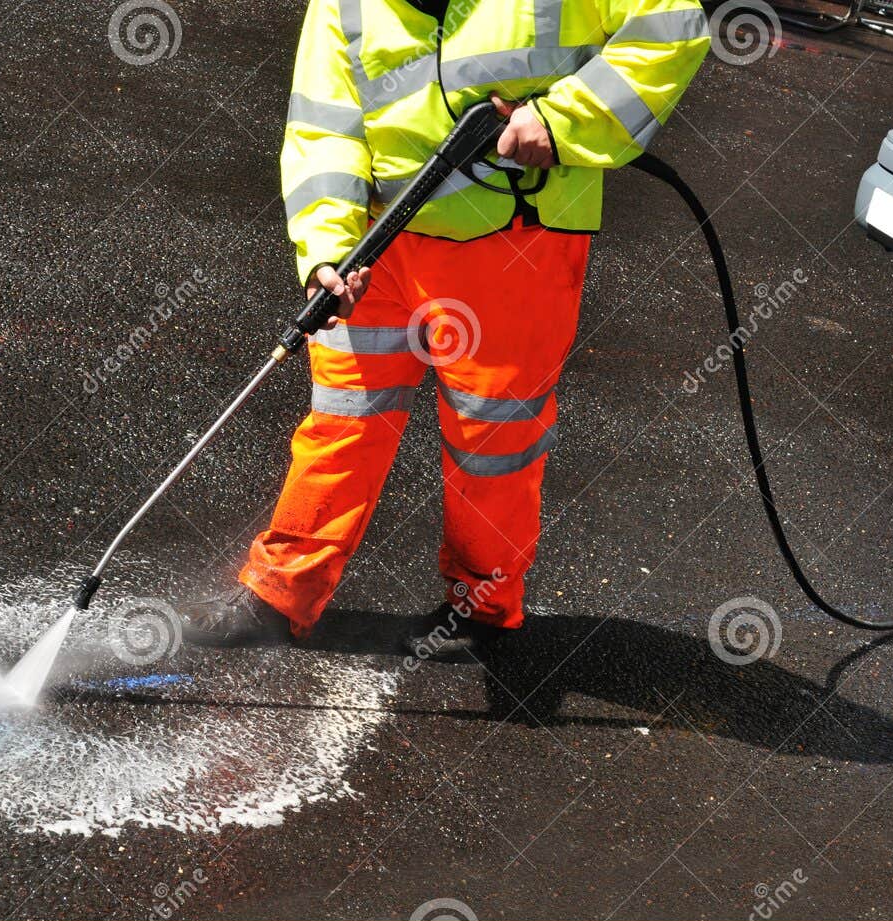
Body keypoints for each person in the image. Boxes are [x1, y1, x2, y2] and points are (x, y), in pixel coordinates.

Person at [182, 0, 710, 658]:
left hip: (518, 240)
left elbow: (672, 24)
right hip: (378, 246)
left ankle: (482, 610)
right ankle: (280, 593)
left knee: (492, 440)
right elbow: (324, 125)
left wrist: (566, 118)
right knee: (344, 417)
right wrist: (325, 251)